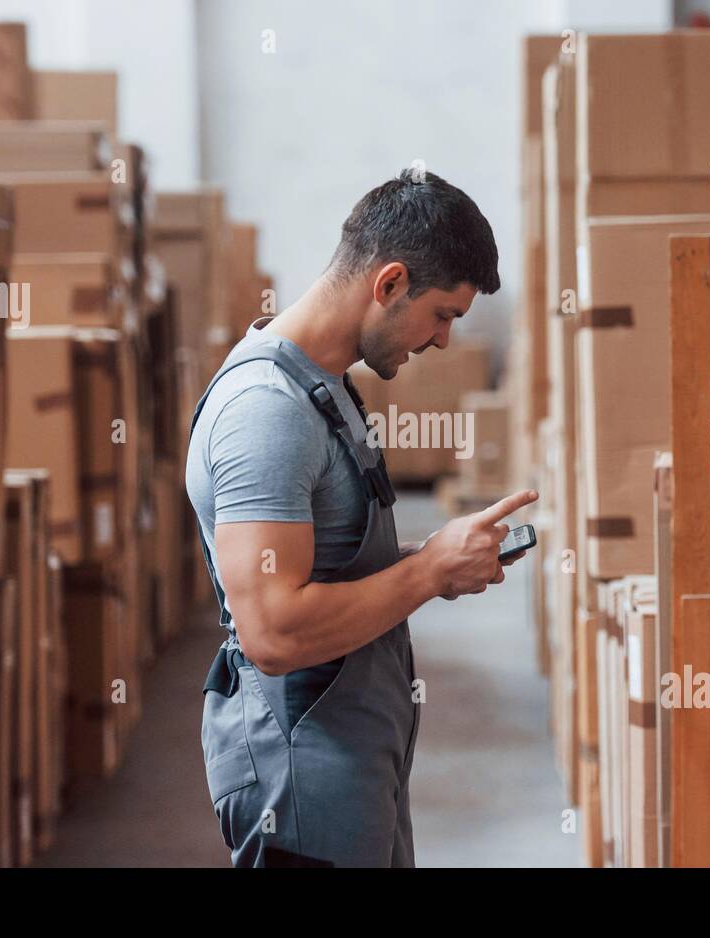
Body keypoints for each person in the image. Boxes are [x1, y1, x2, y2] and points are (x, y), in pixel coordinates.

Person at [185, 168, 536, 867]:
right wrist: (429, 573)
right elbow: (274, 631)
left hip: (354, 756)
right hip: (302, 776)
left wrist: (429, 557)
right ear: (390, 283)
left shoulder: (327, 387)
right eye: (443, 314)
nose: (443, 341)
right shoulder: (267, 411)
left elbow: (326, 560)